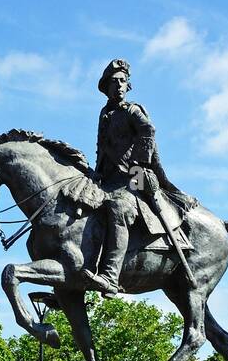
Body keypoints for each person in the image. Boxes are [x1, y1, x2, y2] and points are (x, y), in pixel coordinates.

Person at [83, 58, 195, 297]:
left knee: (119, 207)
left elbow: (148, 131)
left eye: (123, 81)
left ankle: (111, 277)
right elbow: (102, 148)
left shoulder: (133, 110)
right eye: (115, 82)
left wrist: (139, 161)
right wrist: (96, 172)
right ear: (106, 86)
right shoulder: (104, 113)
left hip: (137, 175)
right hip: (109, 179)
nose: (120, 85)